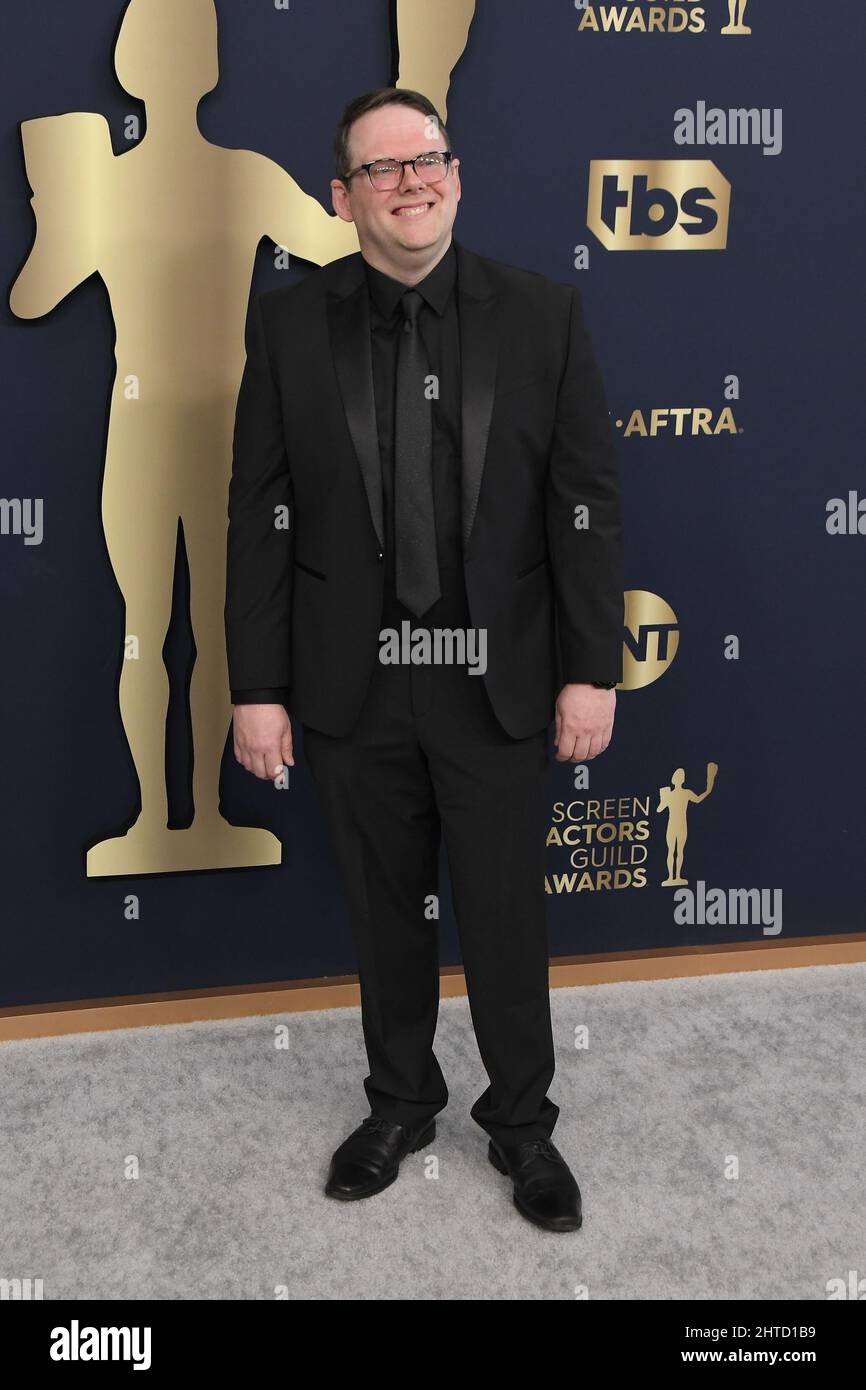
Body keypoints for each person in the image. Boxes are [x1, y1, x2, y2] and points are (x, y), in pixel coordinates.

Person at [224, 87, 624, 1233]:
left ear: (457, 175)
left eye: (430, 159)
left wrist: (588, 667)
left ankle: (521, 1125)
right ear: (342, 196)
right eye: (384, 168)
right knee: (382, 909)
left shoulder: (541, 316)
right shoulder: (289, 326)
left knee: (501, 912)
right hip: (354, 676)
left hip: (494, 675)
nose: (414, 181)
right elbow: (260, 513)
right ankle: (398, 1100)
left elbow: (583, 504)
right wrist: (258, 686)